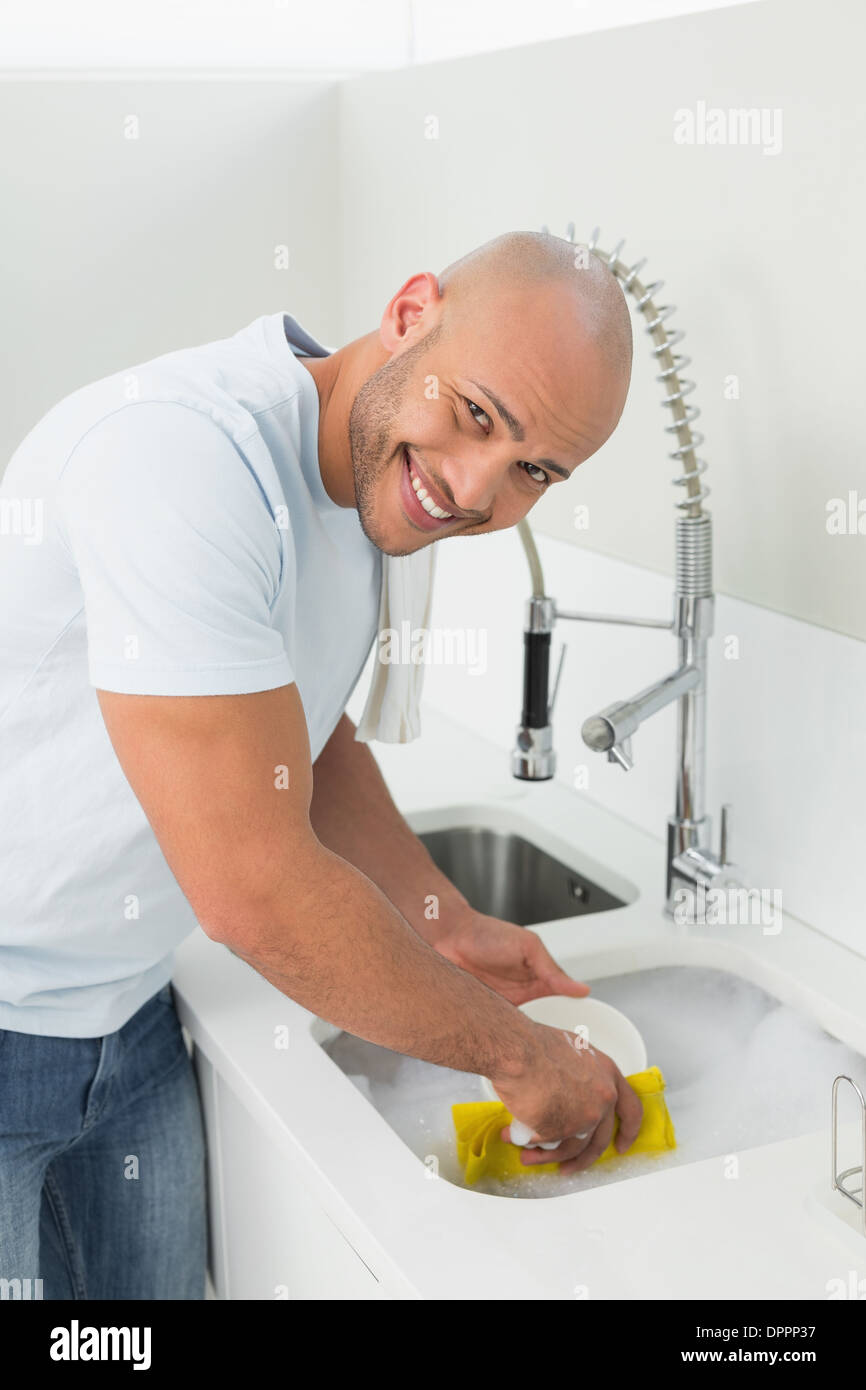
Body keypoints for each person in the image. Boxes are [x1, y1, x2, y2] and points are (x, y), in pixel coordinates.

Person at [0, 230, 638, 1300]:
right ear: (408, 313)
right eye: (477, 414)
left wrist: (442, 919)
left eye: (532, 470)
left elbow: (297, 735)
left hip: (128, 1014)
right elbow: (253, 890)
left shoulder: (360, 483)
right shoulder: (181, 456)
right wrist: (519, 1056)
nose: (473, 487)